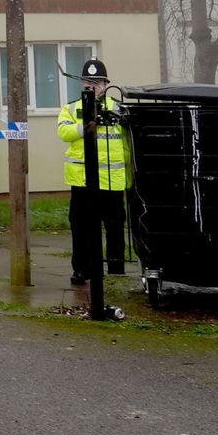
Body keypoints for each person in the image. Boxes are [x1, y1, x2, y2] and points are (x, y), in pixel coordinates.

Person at [56, 58, 129, 285]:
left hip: (112, 181)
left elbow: (128, 143)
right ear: (80, 83)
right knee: (81, 227)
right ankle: (82, 269)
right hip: (83, 181)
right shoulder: (70, 108)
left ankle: (116, 268)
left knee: (115, 227)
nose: (91, 85)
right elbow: (64, 133)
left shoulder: (118, 108)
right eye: (87, 81)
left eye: (96, 81)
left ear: (106, 83)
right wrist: (84, 127)